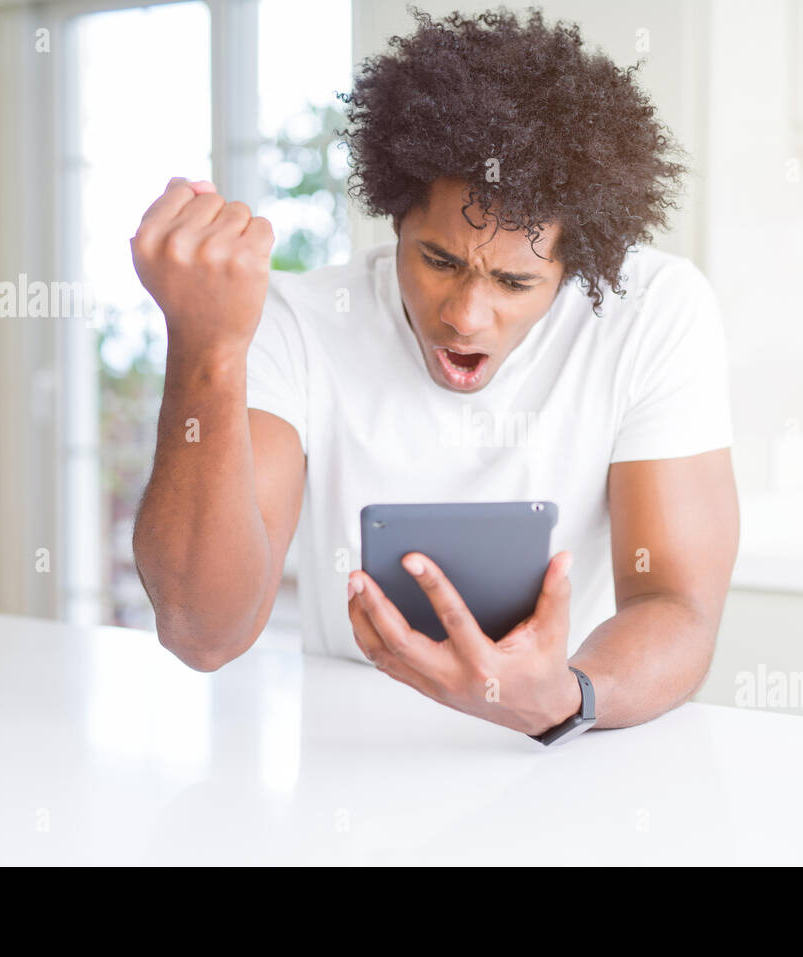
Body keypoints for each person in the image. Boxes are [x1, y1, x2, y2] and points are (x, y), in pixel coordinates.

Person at [130, 8, 739, 740]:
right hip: (354, 766)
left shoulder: (655, 312)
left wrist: (566, 698)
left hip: (565, 753)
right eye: (439, 260)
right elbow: (204, 632)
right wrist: (206, 348)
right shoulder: (298, 320)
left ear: (574, 270)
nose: (465, 316)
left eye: (514, 282)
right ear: (396, 220)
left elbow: (677, 605)